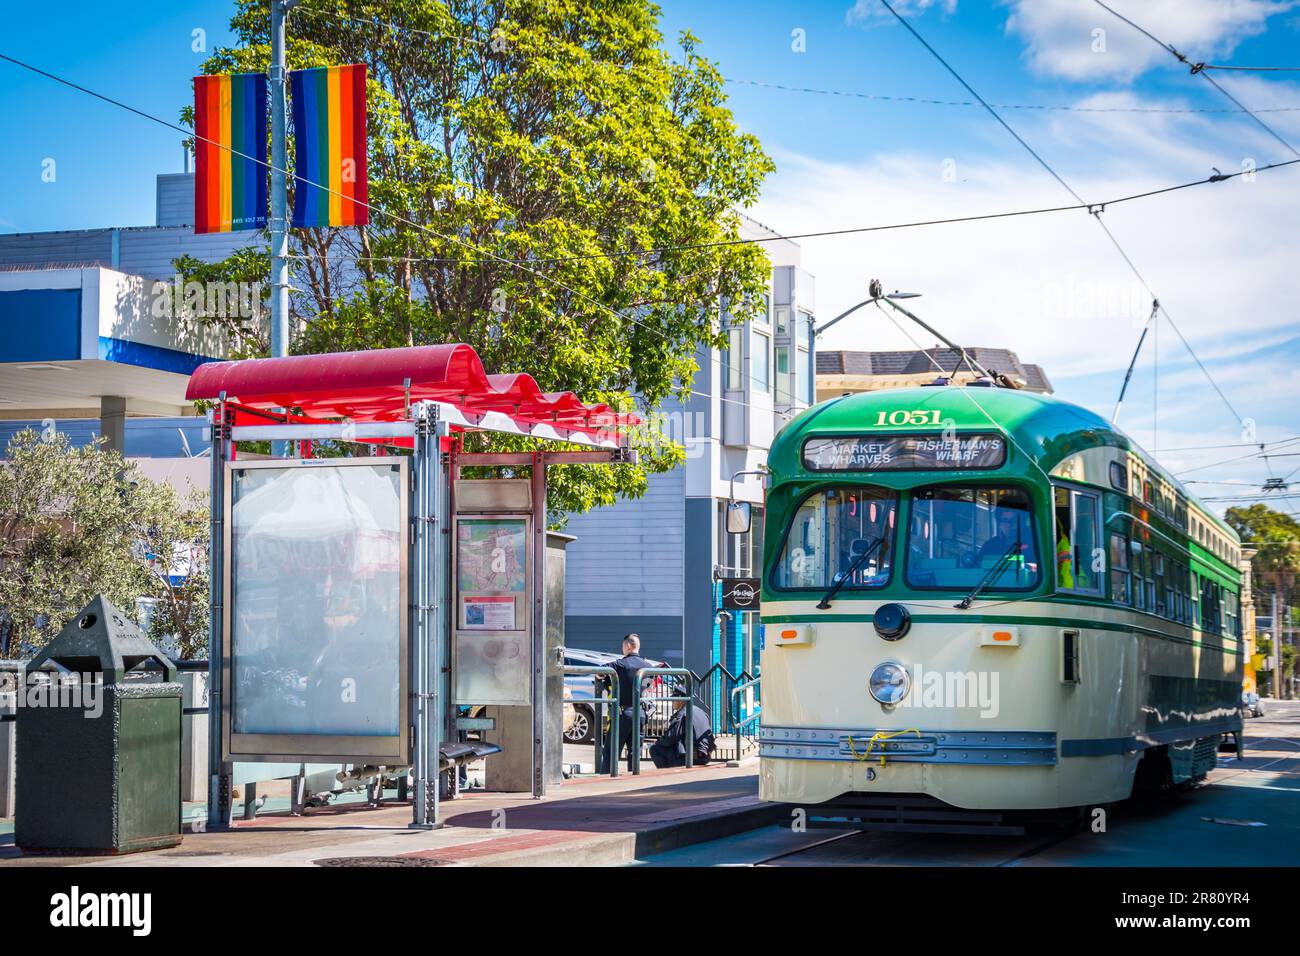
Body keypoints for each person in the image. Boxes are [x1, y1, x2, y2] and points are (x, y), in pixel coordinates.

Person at [610, 633, 654, 766]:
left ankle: (607, 776)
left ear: (628, 646)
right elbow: (648, 685)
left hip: (624, 713)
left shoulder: (620, 664)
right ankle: (633, 777)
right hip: (640, 713)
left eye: (623, 646)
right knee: (634, 752)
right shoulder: (648, 667)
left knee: (611, 750)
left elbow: (601, 671)